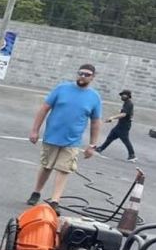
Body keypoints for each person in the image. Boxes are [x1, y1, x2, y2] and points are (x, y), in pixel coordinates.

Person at [26, 64, 102, 208]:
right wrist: (35, 130)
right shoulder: (62, 89)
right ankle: (36, 192)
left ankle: (55, 200)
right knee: (46, 166)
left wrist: (92, 145)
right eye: (81, 73)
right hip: (52, 136)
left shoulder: (94, 97)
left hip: (73, 140)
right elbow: (44, 109)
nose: (83, 76)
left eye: (87, 75)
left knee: (64, 169)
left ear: (93, 77)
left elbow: (95, 122)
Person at [96, 89, 136, 162]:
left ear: (128, 95)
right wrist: (113, 119)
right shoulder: (126, 103)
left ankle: (132, 155)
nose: (121, 96)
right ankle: (100, 148)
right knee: (110, 137)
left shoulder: (129, 103)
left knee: (125, 140)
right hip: (121, 125)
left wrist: (112, 117)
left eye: (123, 95)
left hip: (124, 126)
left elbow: (124, 114)